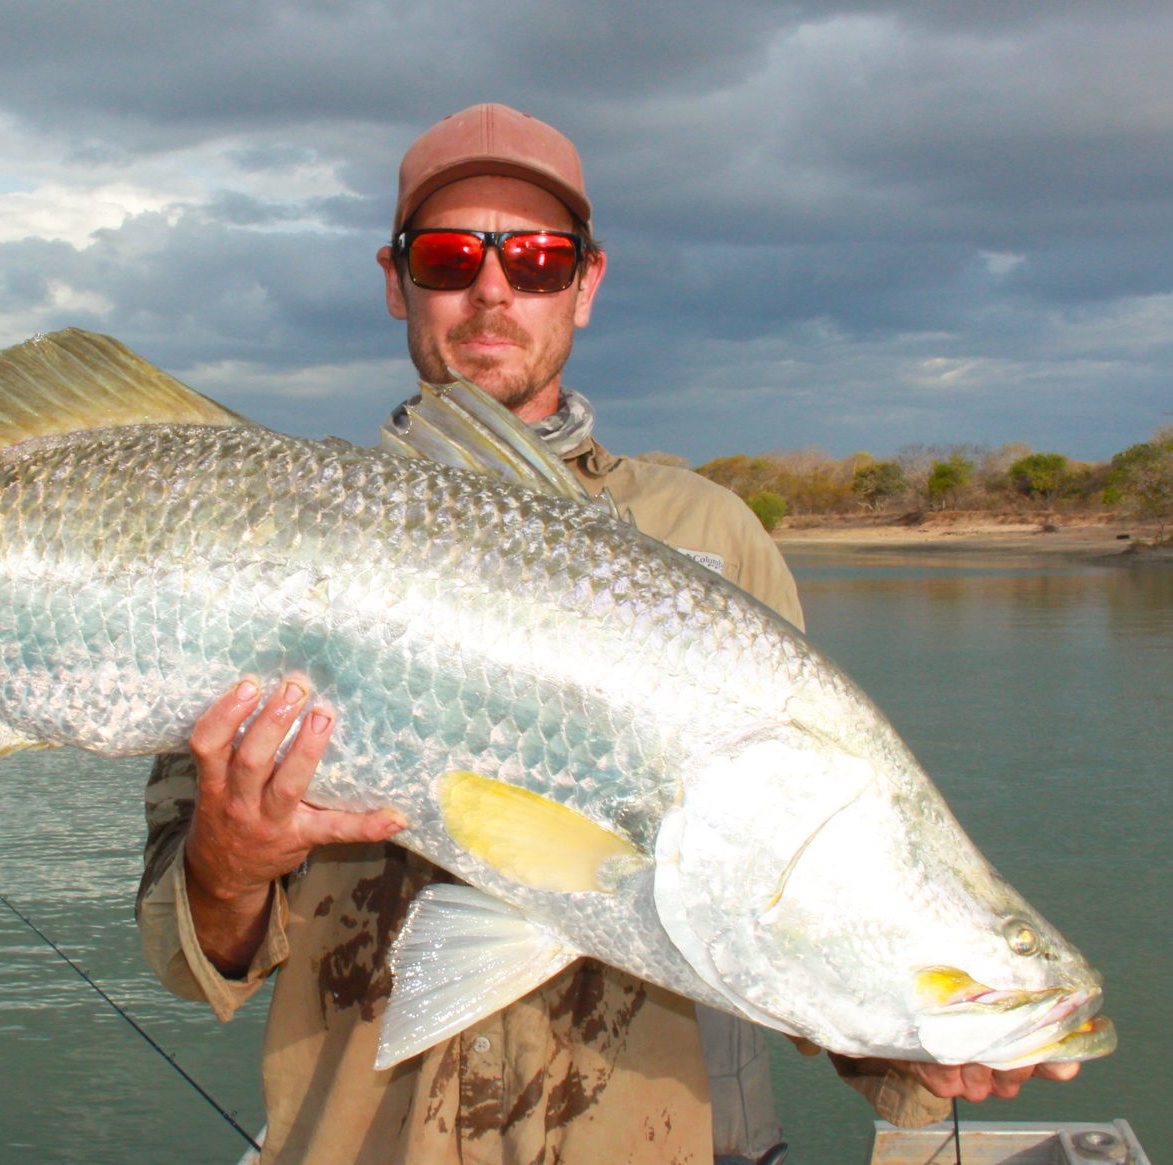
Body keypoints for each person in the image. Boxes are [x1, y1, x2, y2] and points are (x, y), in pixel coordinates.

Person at [138, 103, 1075, 1164]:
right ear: (397, 280)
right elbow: (189, 952)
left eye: (536, 259)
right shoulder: (256, 544)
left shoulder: (711, 538)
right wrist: (228, 859)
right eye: (450, 256)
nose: (492, 289)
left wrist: (913, 1042)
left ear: (585, 283)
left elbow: (784, 875)